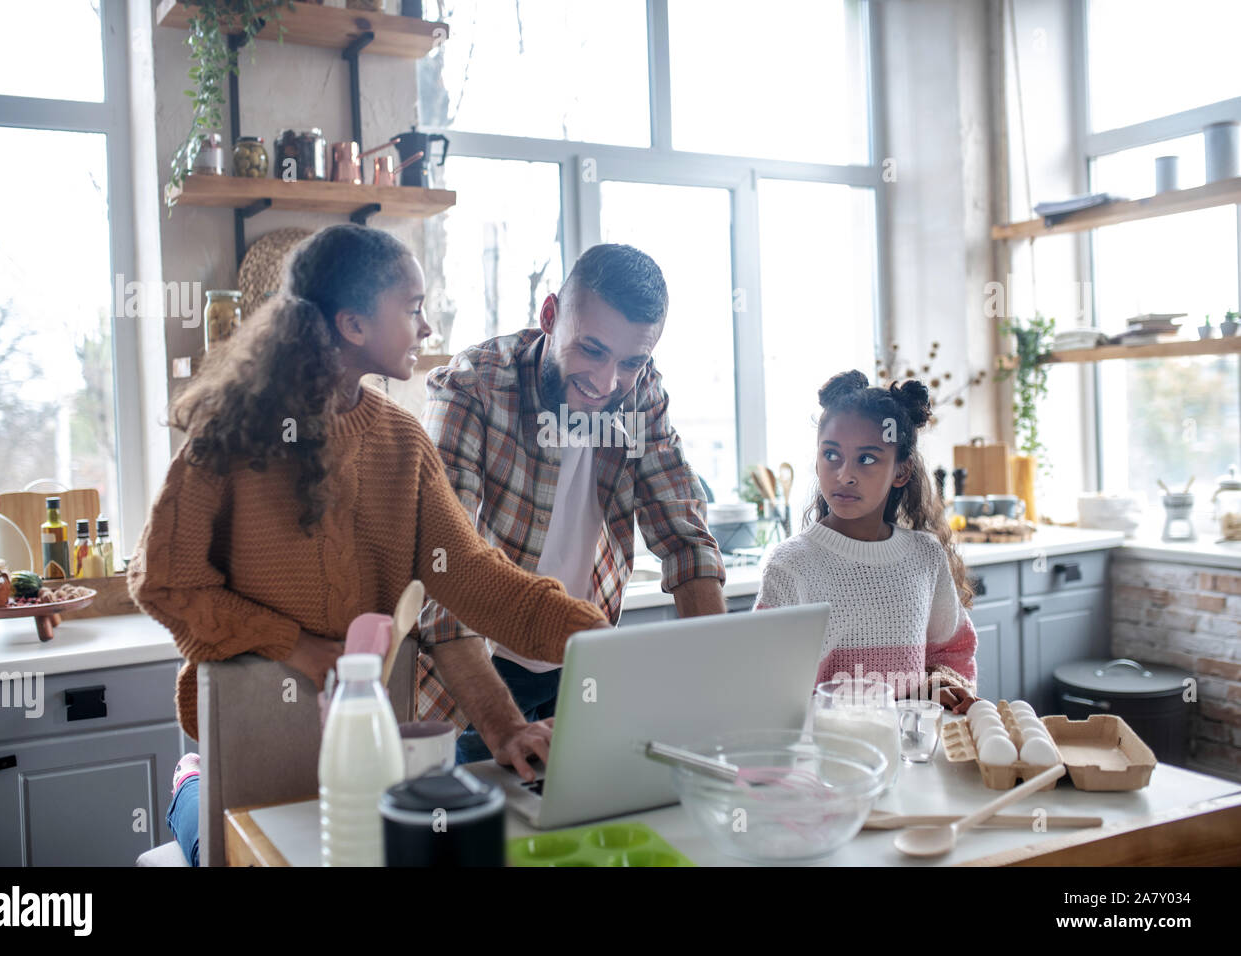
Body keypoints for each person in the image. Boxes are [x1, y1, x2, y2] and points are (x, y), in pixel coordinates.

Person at [128, 224, 607, 866]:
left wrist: (594, 636)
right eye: (412, 310)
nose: (427, 328)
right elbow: (163, 582)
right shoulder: (228, 438)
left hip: (363, 729)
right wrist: (296, 646)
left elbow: (469, 573)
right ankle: (189, 783)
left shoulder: (402, 442)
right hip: (249, 726)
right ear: (353, 325)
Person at [418, 243, 728, 775]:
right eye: (591, 350)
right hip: (477, 677)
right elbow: (442, 574)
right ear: (549, 316)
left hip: (579, 668)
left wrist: (721, 686)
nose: (606, 383)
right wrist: (507, 729)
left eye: (631, 361)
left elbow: (683, 537)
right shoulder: (472, 389)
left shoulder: (641, 394)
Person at [754, 369, 978, 714]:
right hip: (833, 757)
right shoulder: (790, 565)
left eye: (867, 459)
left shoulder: (926, 557)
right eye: (831, 455)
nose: (845, 474)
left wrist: (936, 683)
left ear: (901, 471)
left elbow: (950, 652)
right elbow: (767, 688)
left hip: (912, 756)